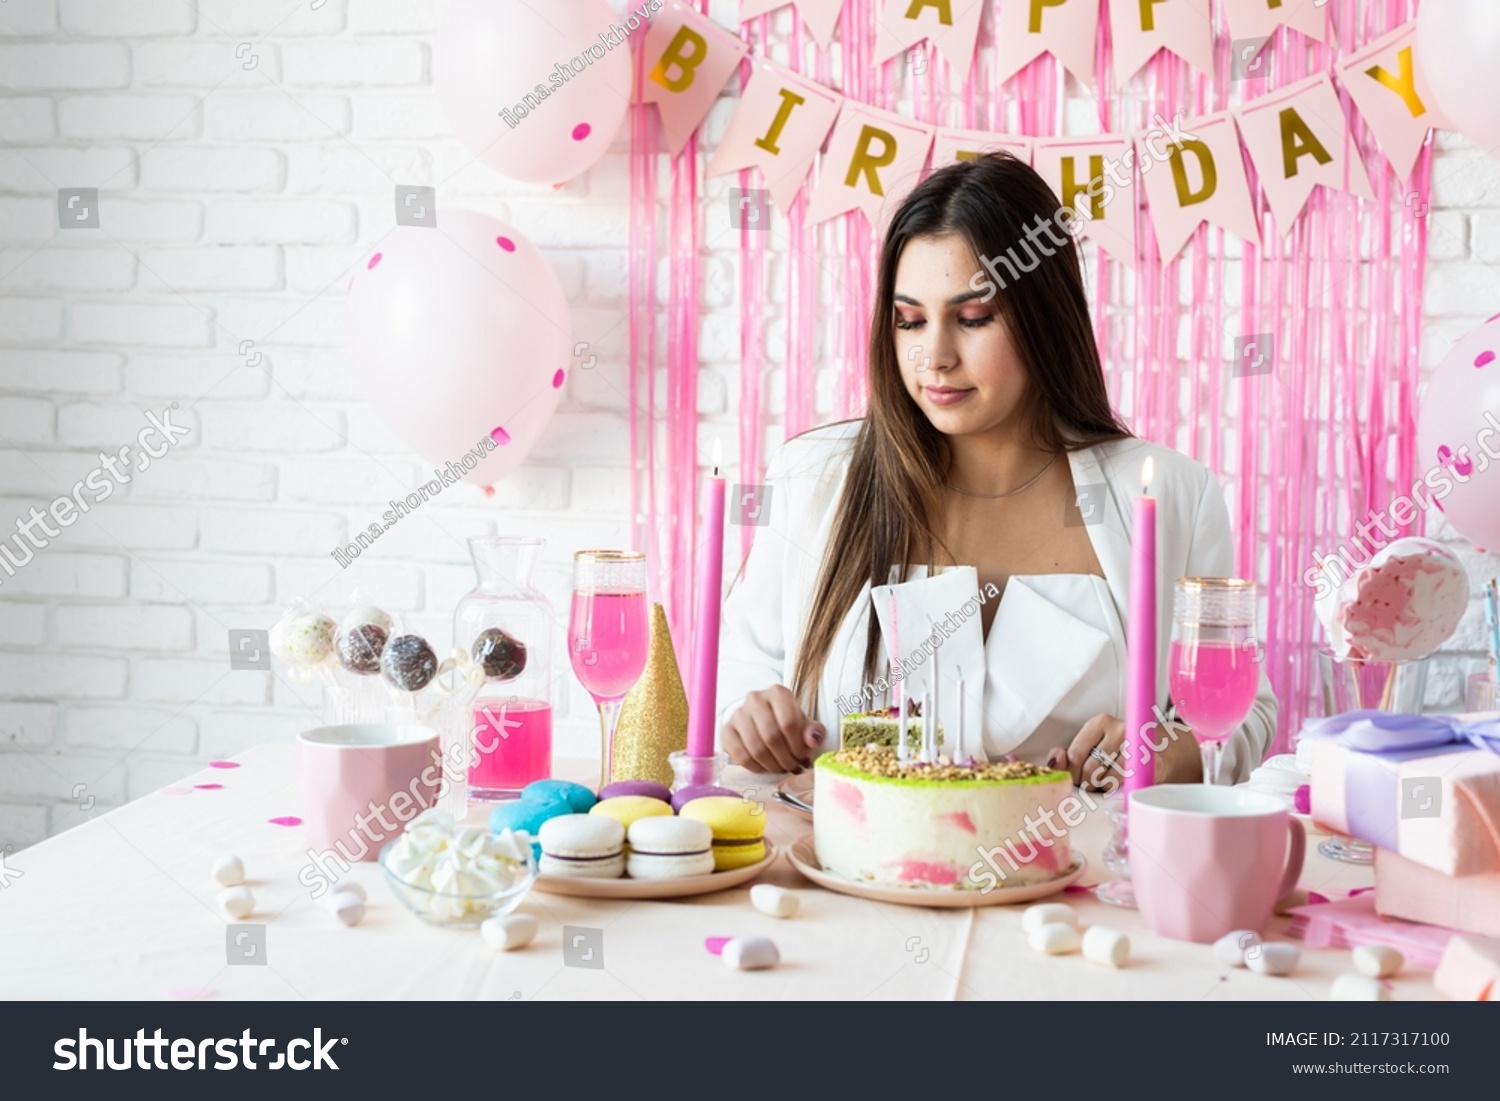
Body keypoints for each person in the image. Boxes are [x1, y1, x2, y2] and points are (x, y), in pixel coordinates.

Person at [715, 152, 1276, 788]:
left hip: (1075, 877)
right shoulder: (815, 476)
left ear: (1044, 316)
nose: (935, 357)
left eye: (974, 319)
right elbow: (737, 667)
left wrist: (1168, 751)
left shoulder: (1169, 492)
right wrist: (748, 712)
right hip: (852, 874)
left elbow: (1246, 711)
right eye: (911, 321)